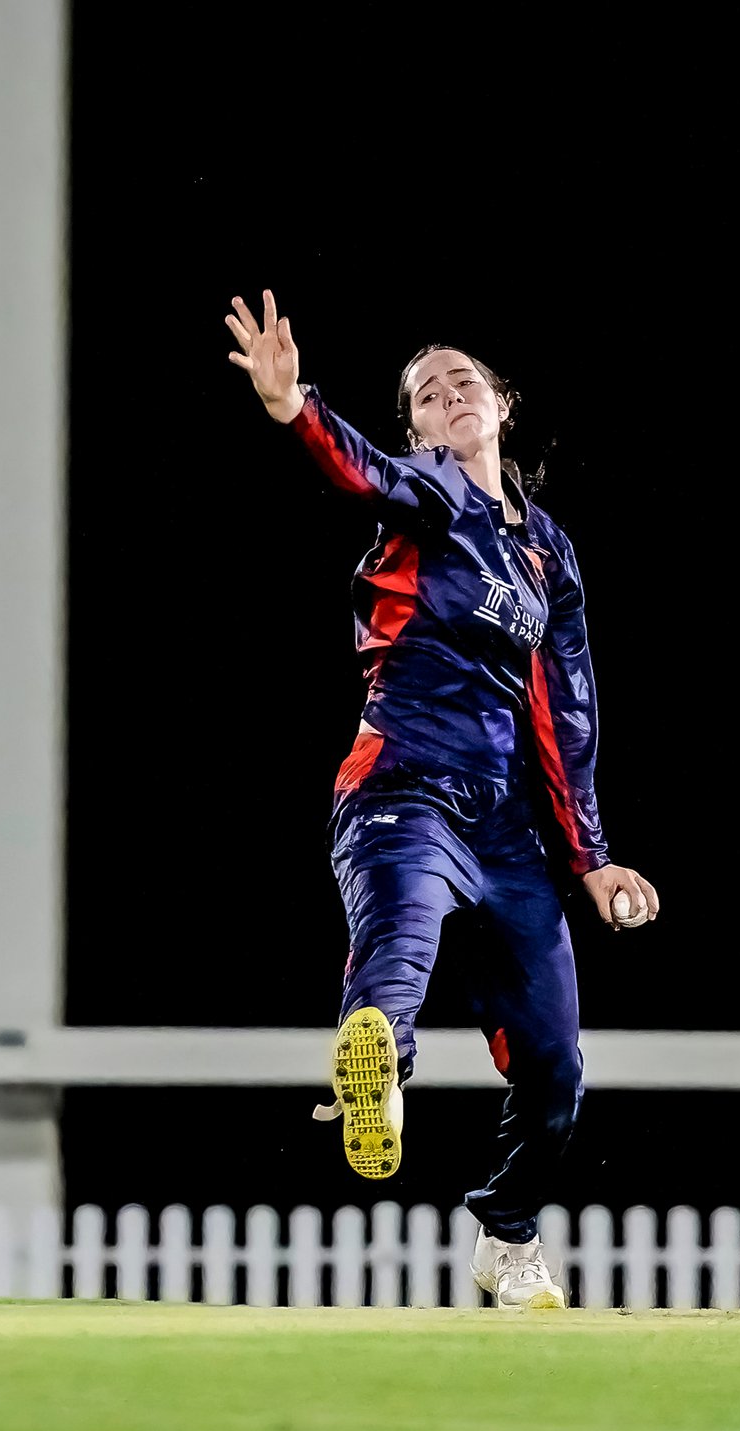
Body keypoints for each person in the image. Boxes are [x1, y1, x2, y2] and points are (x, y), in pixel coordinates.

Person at [223, 289, 660, 1310]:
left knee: (553, 1064)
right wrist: (295, 409)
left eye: (466, 379)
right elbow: (357, 468)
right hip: (401, 780)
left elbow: (566, 708)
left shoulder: (547, 552)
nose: (451, 392)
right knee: (400, 933)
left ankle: (507, 1236)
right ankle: (375, 1064)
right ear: (417, 429)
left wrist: (590, 855)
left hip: (504, 823)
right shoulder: (424, 494)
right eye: (428, 391)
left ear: (501, 405)